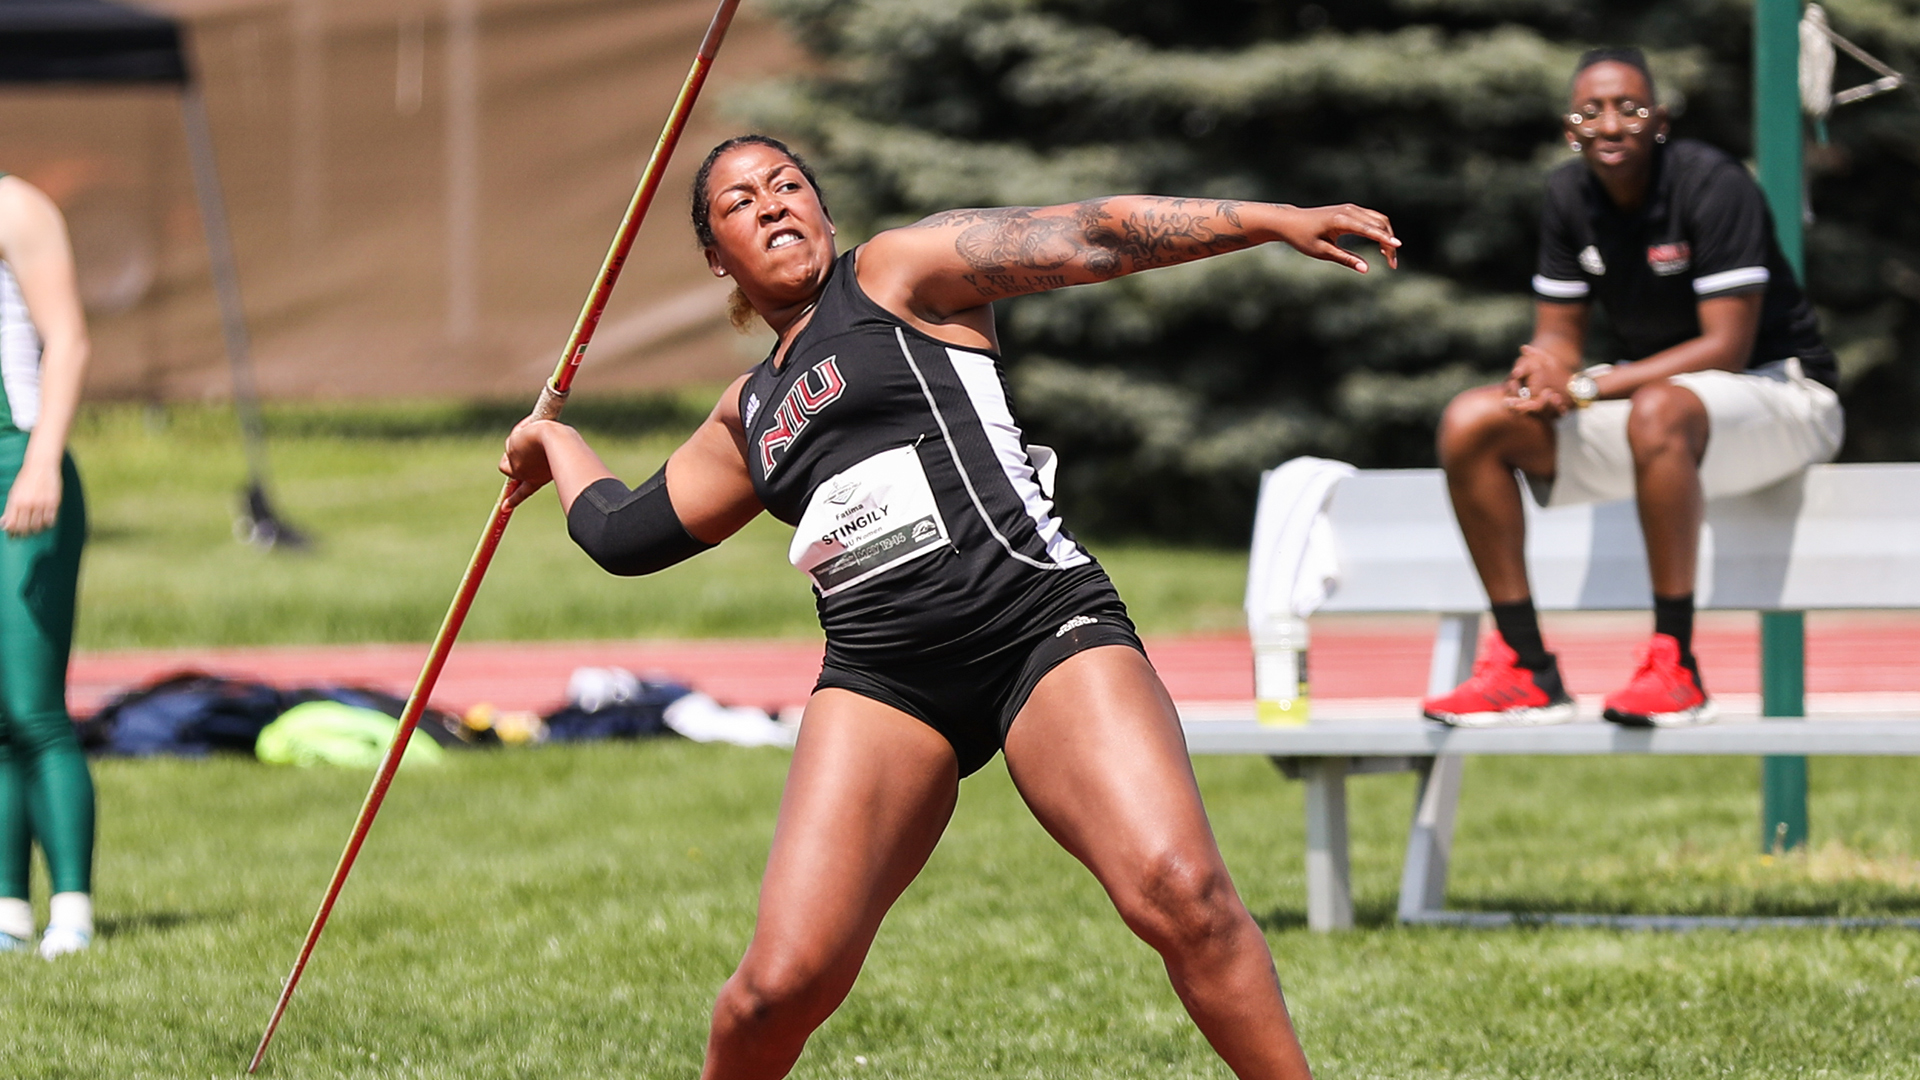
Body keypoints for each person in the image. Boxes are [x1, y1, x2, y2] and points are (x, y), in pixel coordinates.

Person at [501, 134, 1399, 1080]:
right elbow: (625, 534)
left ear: (824, 210)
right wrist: (555, 446)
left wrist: (1269, 221)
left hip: (1038, 629)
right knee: (775, 990)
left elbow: (1093, 236)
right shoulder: (748, 413)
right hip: (884, 681)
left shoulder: (897, 275)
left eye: (787, 185)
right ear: (718, 259)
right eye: (739, 203)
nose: (771, 204)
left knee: (1185, 897)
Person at [1422, 48, 1844, 730]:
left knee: (1659, 407)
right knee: (1474, 421)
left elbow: (1725, 348)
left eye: (1630, 108)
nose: (1611, 123)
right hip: (1668, 422)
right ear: (1571, 129)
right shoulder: (1568, 195)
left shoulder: (1712, 184)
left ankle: (1676, 663)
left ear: (1660, 122)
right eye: (1591, 111)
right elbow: (1559, 333)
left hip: (1783, 398)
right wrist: (1545, 370)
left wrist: (1587, 385)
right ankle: (1527, 669)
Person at [0, 172, 96, 958]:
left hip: (18, 470)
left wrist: (42, 464)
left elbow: (68, 337)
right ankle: (8, 910)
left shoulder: (15, 205)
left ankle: (72, 910)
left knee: (32, 706)